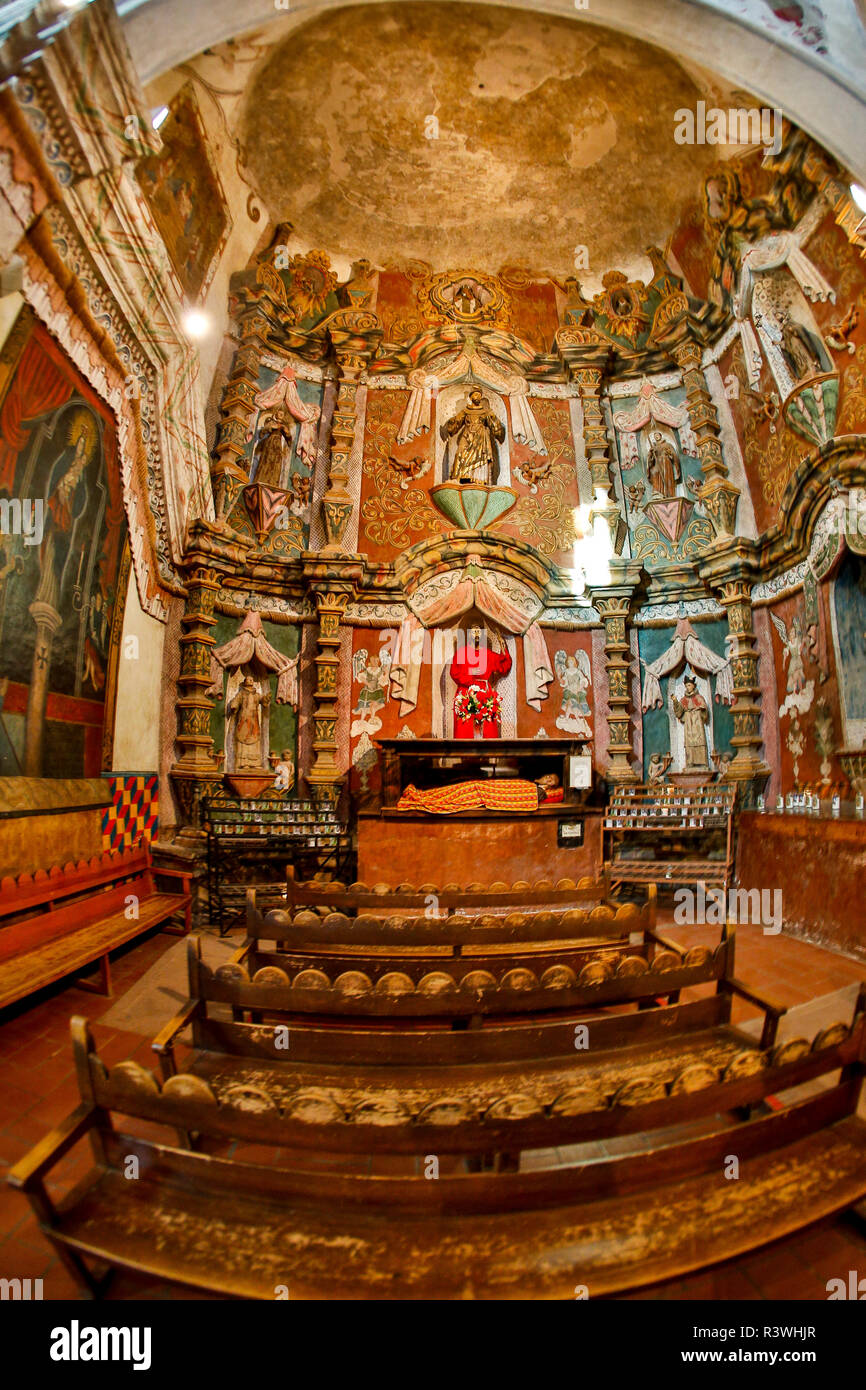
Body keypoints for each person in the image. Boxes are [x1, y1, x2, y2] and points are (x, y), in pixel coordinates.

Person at [397, 772, 562, 815]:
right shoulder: (530, 783)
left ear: (550, 788)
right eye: (549, 776)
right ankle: (421, 795)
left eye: (551, 782)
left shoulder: (536, 791)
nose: (548, 779)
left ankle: (420, 797)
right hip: (481, 786)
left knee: (469, 788)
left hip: (481, 791)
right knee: (459, 787)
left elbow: (514, 794)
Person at [441, 388, 505, 485]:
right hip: (467, 435)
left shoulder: (485, 412)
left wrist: (495, 420)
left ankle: (479, 478)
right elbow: (456, 423)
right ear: (471, 397)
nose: (477, 397)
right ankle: (460, 478)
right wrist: (448, 425)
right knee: (460, 454)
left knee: (481, 457)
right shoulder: (465, 411)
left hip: (481, 437)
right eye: (475, 395)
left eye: (479, 395)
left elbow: (495, 426)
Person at [670, 676, 710, 771]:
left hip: (697, 722)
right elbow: (679, 712)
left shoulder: (699, 698)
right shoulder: (684, 700)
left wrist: (700, 709)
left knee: (700, 739)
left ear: (693, 686)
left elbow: (704, 708)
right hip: (688, 723)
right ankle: (690, 762)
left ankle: (702, 762)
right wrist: (675, 701)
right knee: (689, 742)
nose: (688, 687)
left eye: (689, 685)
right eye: (686, 685)